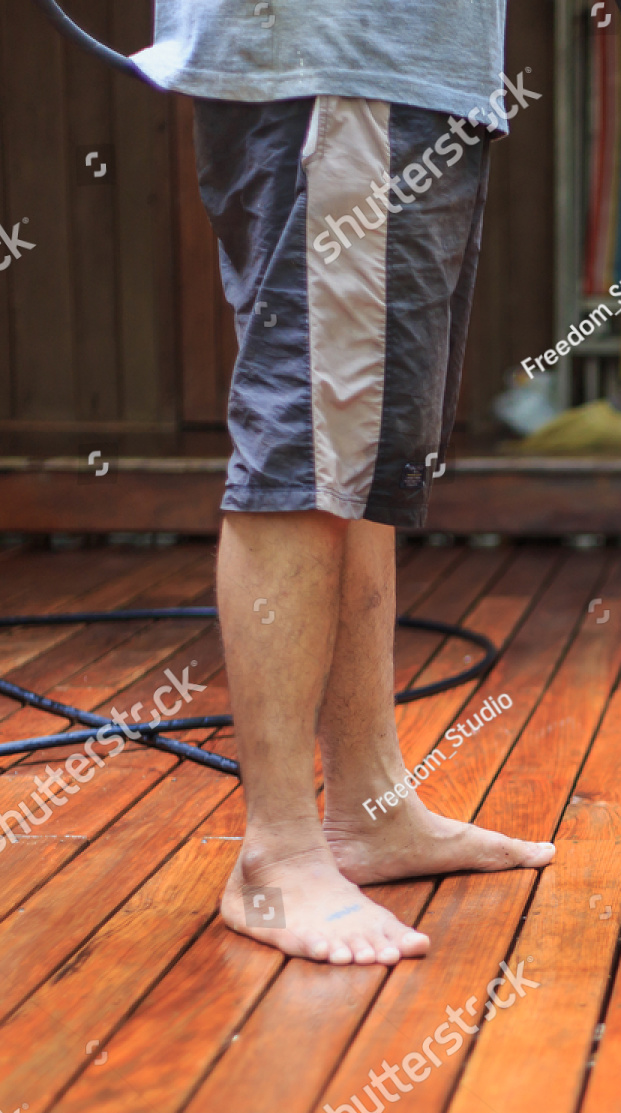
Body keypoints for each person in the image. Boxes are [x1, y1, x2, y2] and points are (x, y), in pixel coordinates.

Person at [131, 2, 554, 967]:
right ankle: (277, 856)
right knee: (317, 442)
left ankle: (370, 810)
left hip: (403, 68)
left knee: (365, 449)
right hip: (341, 56)